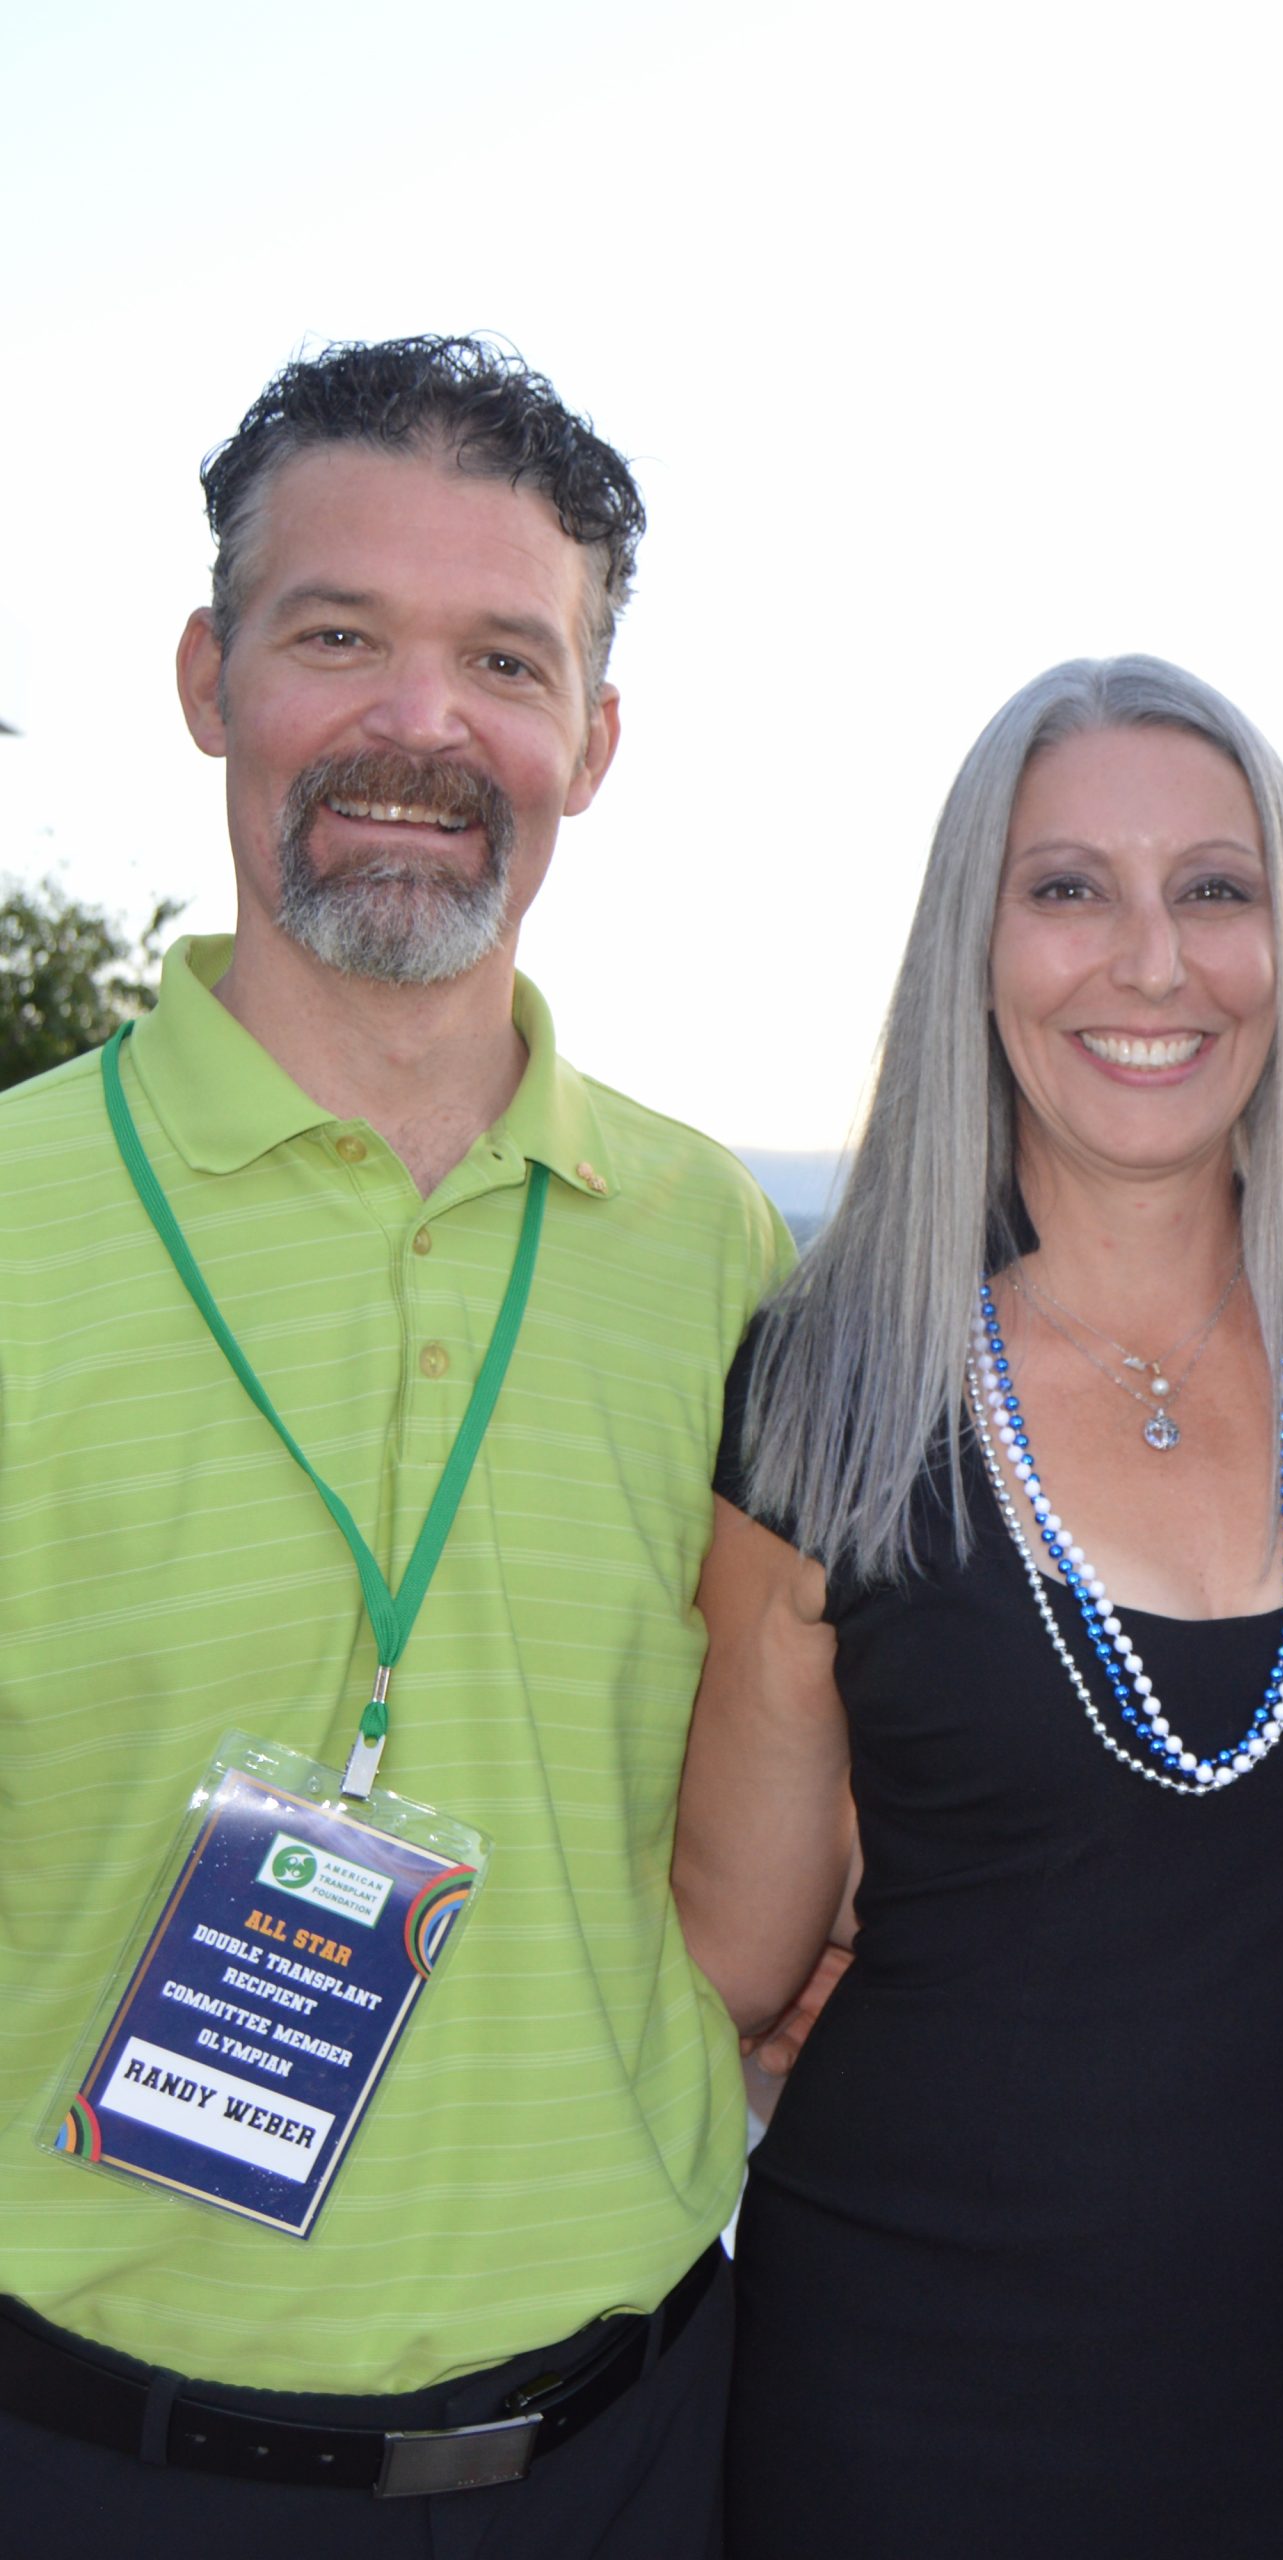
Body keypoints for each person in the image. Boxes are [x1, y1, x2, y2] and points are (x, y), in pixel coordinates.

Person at [0, 337, 791, 2554]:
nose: (418, 727)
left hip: (627, 2454)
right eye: (336, 633)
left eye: (502, 658)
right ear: (205, 673)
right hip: (85, 2465)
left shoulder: (712, 1243)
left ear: (593, 740)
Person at [674, 654, 1283, 2559]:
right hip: (906, 2385)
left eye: (1215, 888)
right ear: (975, 941)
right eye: (1067, 889)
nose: (1149, 962)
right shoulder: (829, 1381)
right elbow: (732, 1952)